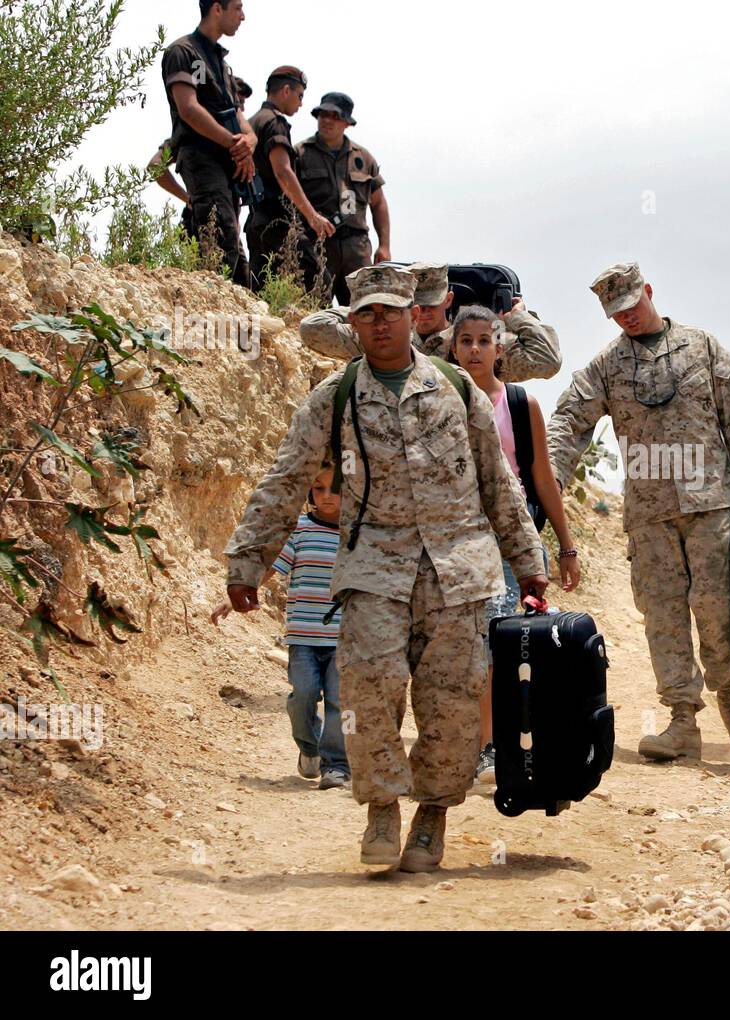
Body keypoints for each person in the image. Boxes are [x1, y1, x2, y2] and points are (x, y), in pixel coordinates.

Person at [223, 265, 547, 872]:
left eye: (389, 312)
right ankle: (381, 807)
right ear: (354, 322)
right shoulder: (336, 396)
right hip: (373, 567)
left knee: (450, 699)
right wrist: (249, 560)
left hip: (457, 570)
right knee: (369, 691)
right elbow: (287, 476)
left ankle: (432, 815)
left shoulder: (455, 386)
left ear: (413, 316)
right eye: (365, 312)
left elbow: (499, 480)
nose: (378, 322)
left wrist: (528, 560)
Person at [547, 262, 730, 762]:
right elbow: (569, 420)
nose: (625, 317)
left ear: (649, 293)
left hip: (710, 500)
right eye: (616, 313)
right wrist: (550, 479)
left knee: (716, 606)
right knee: (663, 615)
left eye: (631, 305)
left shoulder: (704, 347)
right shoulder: (606, 367)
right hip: (649, 514)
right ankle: (682, 720)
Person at [449, 304, 582, 784]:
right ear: (453, 347)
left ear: (499, 347)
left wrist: (566, 546)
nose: (475, 350)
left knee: (513, 641)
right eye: (466, 341)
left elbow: (543, 479)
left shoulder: (520, 405)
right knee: (476, 643)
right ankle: (485, 744)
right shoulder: (440, 399)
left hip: (513, 536)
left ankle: (516, 742)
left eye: (484, 340)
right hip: (459, 537)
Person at [211, 464, 350, 789]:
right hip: (302, 637)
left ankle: (337, 766)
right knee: (302, 696)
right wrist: (237, 595)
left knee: (339, 703)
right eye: (318, 488)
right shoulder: (300, 530)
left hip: (343, 638)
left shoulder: (356, 535)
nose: (326, 496)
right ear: (309, 493)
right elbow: (273, 567)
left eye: (336, 488)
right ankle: (309, 748)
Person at [298, 262, 562, 382]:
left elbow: (547, 360)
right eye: (416, 304)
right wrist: (368, 306)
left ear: (448, 300)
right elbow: (313, 329)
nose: (423, 311)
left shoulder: (473, 344)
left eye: (430, 304)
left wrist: (517, 317)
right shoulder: (386, 338)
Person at [160, 0, 256, 288]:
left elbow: (239, 117)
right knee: (219, 240)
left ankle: (234, 321)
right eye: (237, 8)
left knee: (234, 250)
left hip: (228, 166)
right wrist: (233, 144)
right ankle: (206, 313)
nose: (243, 16)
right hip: (201, 158)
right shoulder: (183, 52)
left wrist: (249, 141)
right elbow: (188, 110)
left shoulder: (222, 66)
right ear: (217, 8)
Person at [295, 93, 389, 305]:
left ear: (347, 122)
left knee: (364, 309)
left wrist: (384, 244)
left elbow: (379, 203)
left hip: (356, 248)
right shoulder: (300, 154)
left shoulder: (363, 158)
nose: (327, 120)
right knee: (314, 311)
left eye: (334, 116)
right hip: (317, 246)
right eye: (323, 115)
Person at [245, 66, 334, 289]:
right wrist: (312, 217)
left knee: (261, 288)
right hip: (278, 220)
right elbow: (283, 172)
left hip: (256, 220)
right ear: (286, 91)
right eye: (300, 96)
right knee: (318, 284)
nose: (301, 103)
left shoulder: (252, 122)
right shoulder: (275, 123)